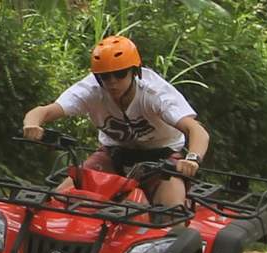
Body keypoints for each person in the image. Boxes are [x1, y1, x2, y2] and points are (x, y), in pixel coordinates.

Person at [21, 35, 210, 208]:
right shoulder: (90, 90)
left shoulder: (155, 94)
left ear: (135, 72)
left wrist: (192, 159)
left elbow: (197, 130)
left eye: (120, 74)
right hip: (114, 154)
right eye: (105, 76)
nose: (112, 82)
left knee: (172, 209)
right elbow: (45, 111)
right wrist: (32, 125)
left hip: (162, 157)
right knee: (59, 199)